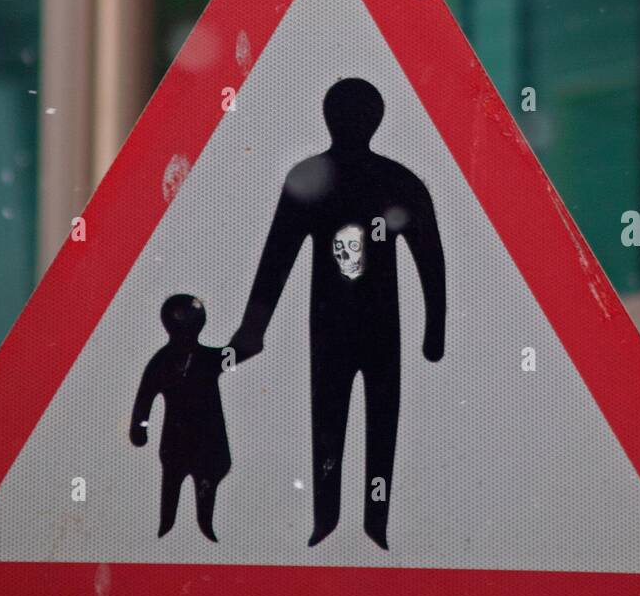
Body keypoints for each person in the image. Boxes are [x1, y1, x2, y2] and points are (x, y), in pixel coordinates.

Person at [229, 78, 446, 550]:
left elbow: (430, 257)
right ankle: (328, 520)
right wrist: (252, 330)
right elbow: (277, 259)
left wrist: (436, 332)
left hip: (371, 326)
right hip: (335, 326)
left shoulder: (394, 181)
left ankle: (375, 523)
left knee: (372, 421)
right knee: (333, 421)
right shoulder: (315, 180)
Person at [130, 294, 231, 541]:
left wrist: (251, 333)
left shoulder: (208, 358)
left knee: (203, 487)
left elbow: (235, 354)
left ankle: (204, 526)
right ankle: (165, 527)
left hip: (204, 443)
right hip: (179, 441)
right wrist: (139, 428)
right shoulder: (163, 361)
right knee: (172, 486)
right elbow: (145, 397)